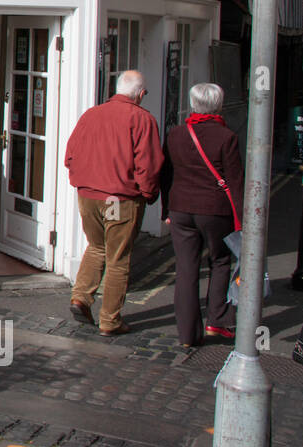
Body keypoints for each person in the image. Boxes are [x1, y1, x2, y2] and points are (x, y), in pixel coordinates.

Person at [64, 69, 164, 335]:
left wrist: (81, 180)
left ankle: (81, 298)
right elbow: (149, 165)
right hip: (120, 197)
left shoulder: (91, 114)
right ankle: (110, 320)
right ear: (141, 93)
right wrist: (148, 194)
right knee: (118, 258)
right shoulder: (142, 119)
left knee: (97, 246)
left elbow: (70, 155)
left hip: (88, 194)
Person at [161, 83, 242, 346]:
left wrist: (166, 211)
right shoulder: (226, 137)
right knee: (219, 261)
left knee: (186, 269)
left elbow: (166, 175)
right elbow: (235, 181)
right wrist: (243, 220)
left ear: (193, 104)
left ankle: (187, 335)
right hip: (215, 211)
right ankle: (217, 321)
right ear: (218, 105)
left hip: (180, 209)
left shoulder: (175, 134)